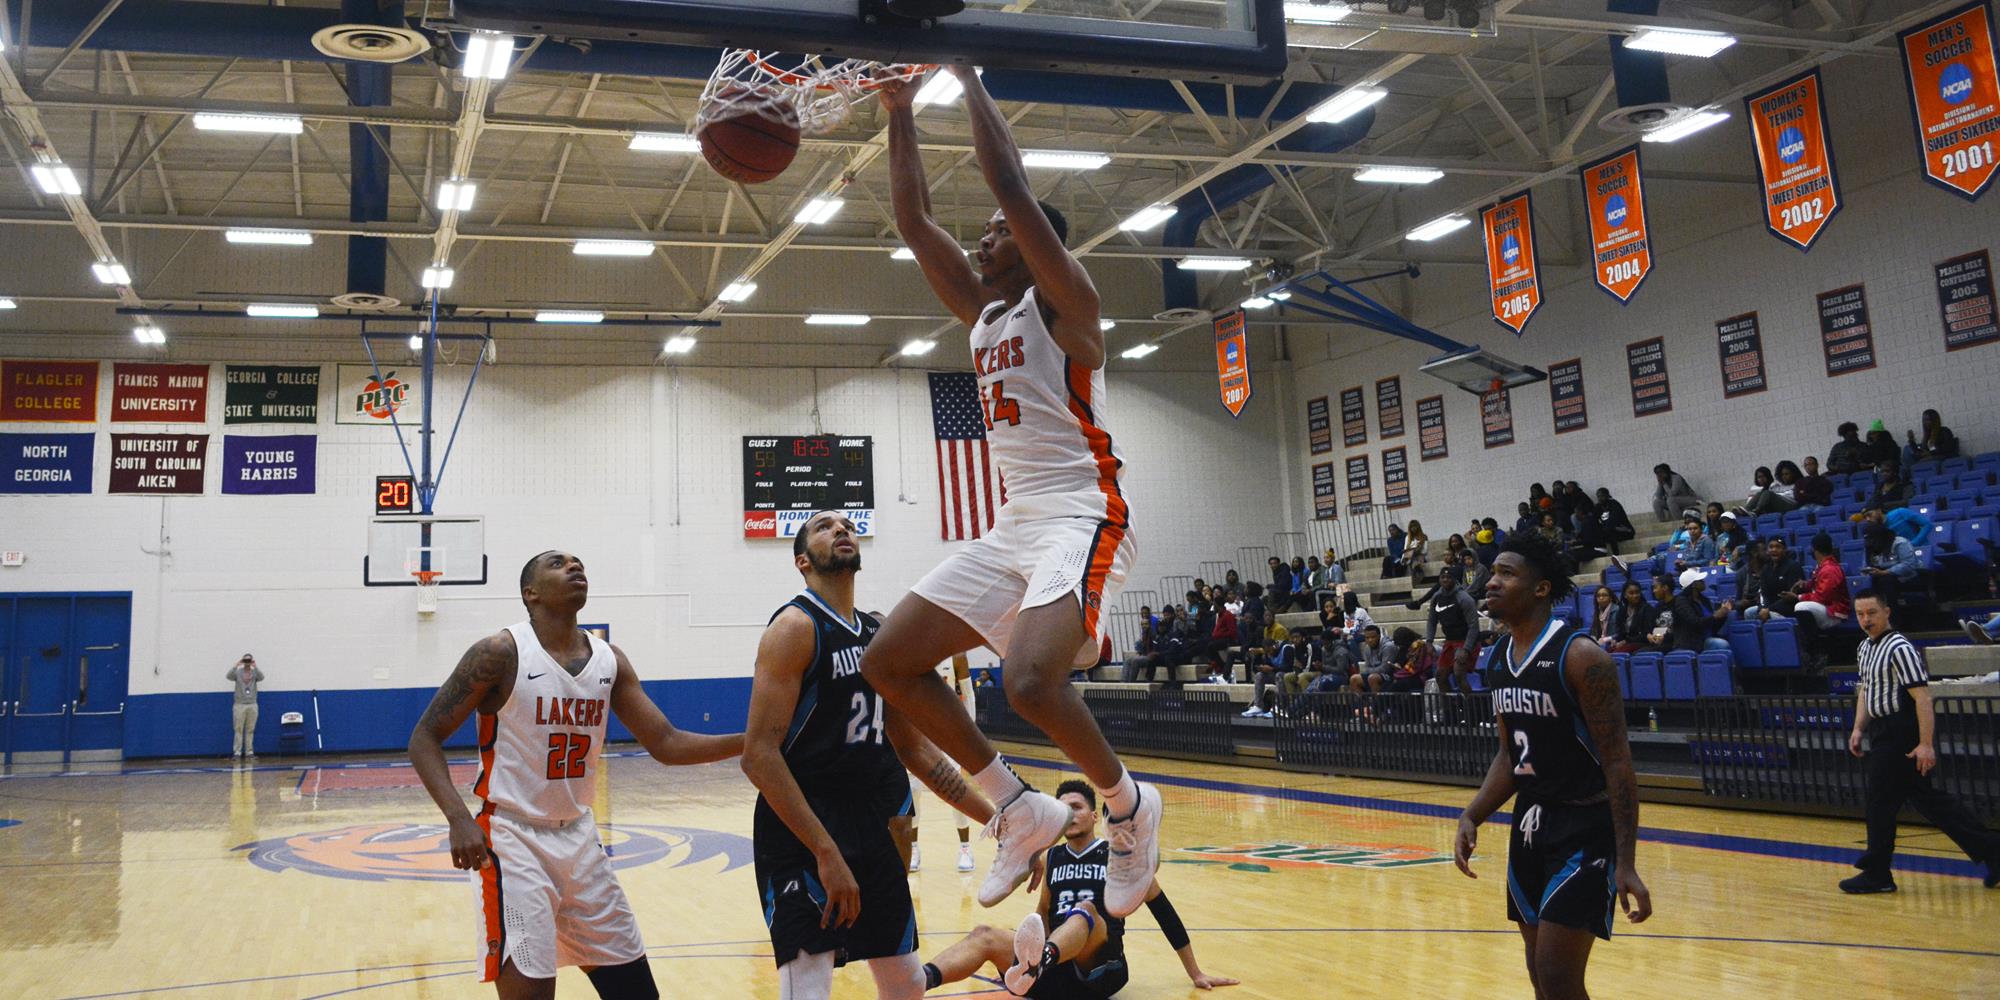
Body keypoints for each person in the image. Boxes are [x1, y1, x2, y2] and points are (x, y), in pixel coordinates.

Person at [871, 66, 1161, 918]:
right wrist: (898, 112)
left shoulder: (1069, 306)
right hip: (1016, 525)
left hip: (1084, 511)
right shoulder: (984, 318)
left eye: (1003, 233)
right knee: (890, 662)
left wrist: (967, 74)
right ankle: (1017, 805)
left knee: (1031, 684)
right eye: (989, 233)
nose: (986, 238)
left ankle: (1127, 806)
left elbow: (1009, 183)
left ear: (1038, 248)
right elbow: (914, 221)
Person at [406, 550, 746, 999]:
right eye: (557, 563)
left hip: (581, 839)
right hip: (512, 839)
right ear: (530, 592)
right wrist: (457, 817)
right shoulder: (500, 653)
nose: (574, 567)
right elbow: (424, 737)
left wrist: (752, 741)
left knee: (637, 993)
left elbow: (666, 743)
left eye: (578, 562)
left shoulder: (609, 660)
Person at [743, 513, 998, 1000]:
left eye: (846, 525)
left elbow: (913, 748)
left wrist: (1000, 822)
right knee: (808, 986)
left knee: (905, 984)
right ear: (802, 561)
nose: (841, 529)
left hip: (870, 824)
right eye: (823, 527)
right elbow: (758, 757)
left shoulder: (878, 634)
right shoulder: (794, 627)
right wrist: (826, 852)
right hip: (803, 825)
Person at [1454, 533, 1652, 999]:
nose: (1491, 582)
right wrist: (1473, 813)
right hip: (1530, 822)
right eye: (1492, 573)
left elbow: (1618, 762)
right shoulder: (1498, 658)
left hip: (1585, 826)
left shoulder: (1582, 657)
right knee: (1540, 976)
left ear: (1541, 588)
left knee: (1558, 975)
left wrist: (1626, 862)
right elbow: (1510, 754)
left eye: (1506, 574)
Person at [920, 781, 1238, 997]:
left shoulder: (1118, 856)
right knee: (984, 935)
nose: (1070, 815)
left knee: (1084, 910)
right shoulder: (1052, 857)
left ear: (1095, 816)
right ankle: (918, 980)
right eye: (1064, 810)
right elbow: (1042, 915)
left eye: (1077, 807)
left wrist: (1195, 972)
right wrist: (1013, 955)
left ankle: (1035, 966)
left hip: (1100, 967)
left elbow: (1164, 911)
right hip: (1057, 971)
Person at [1841, 592, 2000, 893]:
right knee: (1930, 802)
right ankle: (1993, 851)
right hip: (1882, 729)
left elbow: (1923, 698)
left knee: (1879, 801)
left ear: (1887, 612)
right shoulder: (1864, 648)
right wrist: (1859, 728)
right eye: (1860, 614)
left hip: (1901, 730)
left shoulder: (1899, 647)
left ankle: (1877, 873)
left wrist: (1925, 743)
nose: (1866, 619)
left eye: (1872, 612)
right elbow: (1867, 691)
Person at [1794, 533, 1852, 665]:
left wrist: (1799, 597)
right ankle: (1808, 649)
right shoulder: (1823, 566)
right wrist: (1805, 584)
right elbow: (1817, 586)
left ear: (1815, 550)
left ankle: (1817, 650)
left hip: (1835, 612)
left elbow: (1823, 597)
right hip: (1827, 608)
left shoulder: (1830, 569)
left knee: (1800, 607)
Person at [1425, 574, 1481, 693]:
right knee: (1440, 676)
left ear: (1454, 579)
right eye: (1442, 577)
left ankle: (1471, 703)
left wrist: (1466, 649)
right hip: (1450, 641)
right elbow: (1432, 621)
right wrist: (1429, 641)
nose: (1445, 580)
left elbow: (1474, 626)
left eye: (1448, 577)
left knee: (1459, 673)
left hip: (1465, 640)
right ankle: (1451, 705)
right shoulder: (1436, 597)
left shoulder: (1464, 598)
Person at [1741, 537, 1805, 622]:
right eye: (1771, 547)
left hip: (1788, 608)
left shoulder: (1793, 567)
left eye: (1778, 547)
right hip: (1769, 607)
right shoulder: (1766, 569)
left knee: (1766, 614)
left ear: (1784, 549)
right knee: (1749, 612)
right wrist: (1763, 608)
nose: (1774, 550)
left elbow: (1790, 597)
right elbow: (1763, 594)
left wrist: (1769, 609)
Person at [1670, 569, 1733, 652]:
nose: (1704, 581)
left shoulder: (1704, 600)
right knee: (1722, 644)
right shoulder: (1681, 601)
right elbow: (1695, 622)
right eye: (1700, 580)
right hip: (1691, 643)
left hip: (1706, 638)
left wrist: (1723, 614)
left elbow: (1712, 625)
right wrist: (1715, 616)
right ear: (1693, 585)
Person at [1861, 522, 1921, 609]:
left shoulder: (1900, 542)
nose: (1871, 542)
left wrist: (1885, 572)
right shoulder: (1870, 546)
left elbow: (1909, 565)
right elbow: (1866, 565)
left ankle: (1892, 613)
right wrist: (1868, 571)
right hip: (1881, 575)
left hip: (1907, 576)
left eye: (1872, 539)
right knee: (1868, 583)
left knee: (1886, 581)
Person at [225, 653, 264, 760]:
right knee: (238, 729)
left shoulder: (254, 672)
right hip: (239, 704)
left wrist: (255, 666)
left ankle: (249, 752)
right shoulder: (238, 672)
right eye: (245, 661)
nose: (247, 663)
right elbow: (228, 676)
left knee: (250, 729)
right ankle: (237, 752)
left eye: (249, 661)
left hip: (252, 703)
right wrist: (236, 665)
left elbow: (261, 677)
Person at [1603, 582, 1655, 654]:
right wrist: (1615, 641)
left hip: (1642, 643)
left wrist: (1625, 641)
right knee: (1605, 652)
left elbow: (1646, 634)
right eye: (1631, 593)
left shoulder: (1647, 609)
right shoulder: (1622, 611)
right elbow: (1621, 633)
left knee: (1617, 654)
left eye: (1637, 592)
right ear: (1625, 595)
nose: (1635, 595)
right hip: (1627, 643)